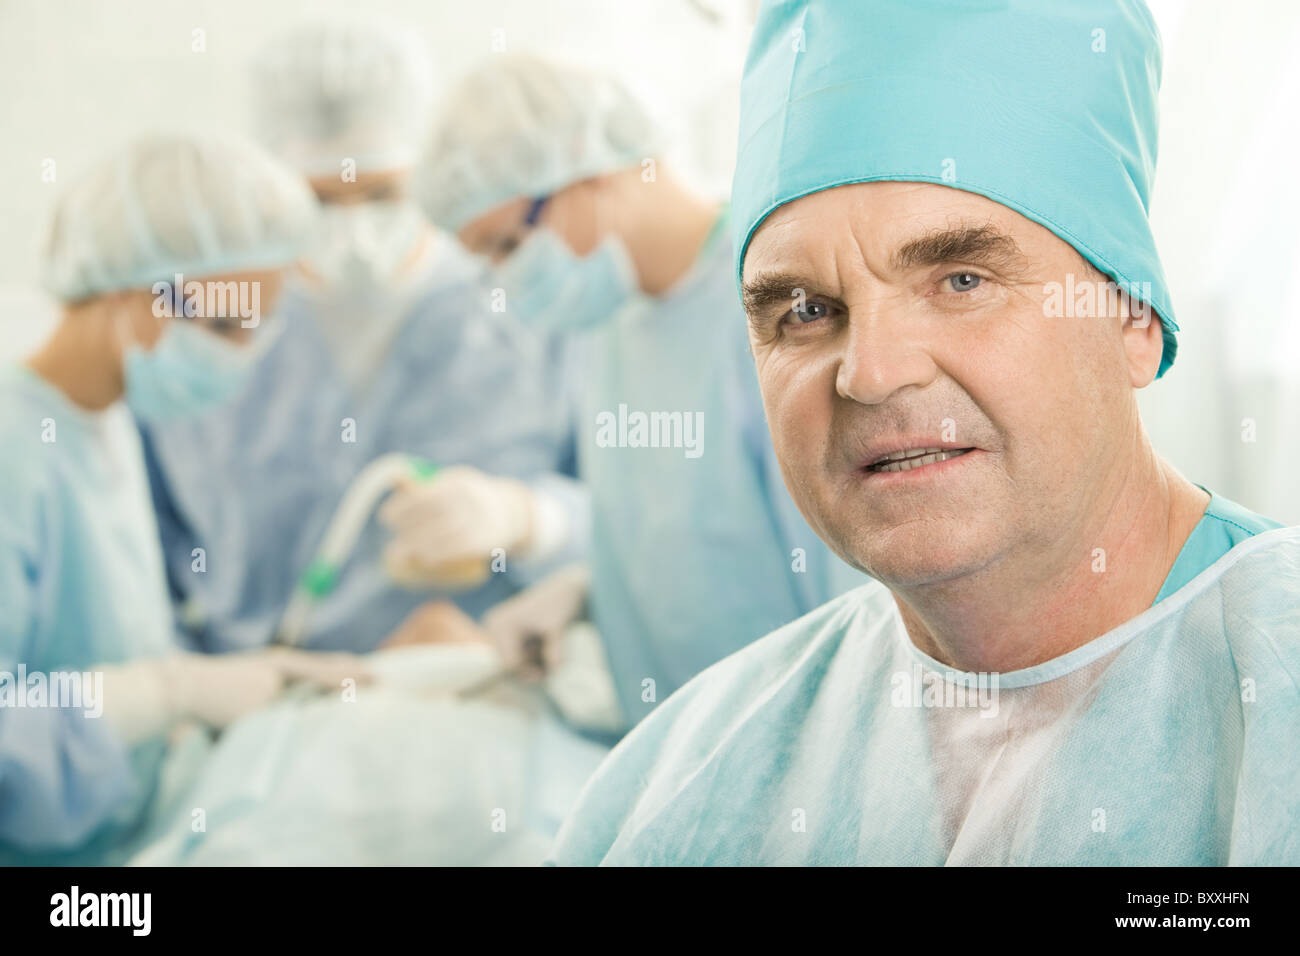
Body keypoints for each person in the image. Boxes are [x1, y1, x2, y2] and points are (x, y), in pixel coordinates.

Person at [551, 0, 1300, 865]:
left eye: (962, 279)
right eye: (804, 311)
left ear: (1133, 316)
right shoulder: (683, 775)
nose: (870, 372)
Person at [409, 54, 865, 728]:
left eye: (507, 243)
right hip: (682, 738)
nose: (506, 281)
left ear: (584, 168)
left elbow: (858, 582)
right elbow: (691, 532)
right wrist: (587, 589)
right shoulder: (613, 323)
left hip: (812, 738)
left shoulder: (778, 302)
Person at [141, 21, 588, 655]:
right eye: (319, 199)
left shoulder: (526, 301)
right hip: (264, 717)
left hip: (483, 696)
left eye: (382, 193)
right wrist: (190, 694)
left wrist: (527, 517)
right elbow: (146, 547)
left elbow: (630, 518)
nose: (353, 225)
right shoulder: (208, 329)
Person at [0, 134, 363, 863]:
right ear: (129, 287)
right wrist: (166, 693)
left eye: (256, 328)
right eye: (224, 325)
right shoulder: (17, 447)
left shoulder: (106, 420)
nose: (240, 353)